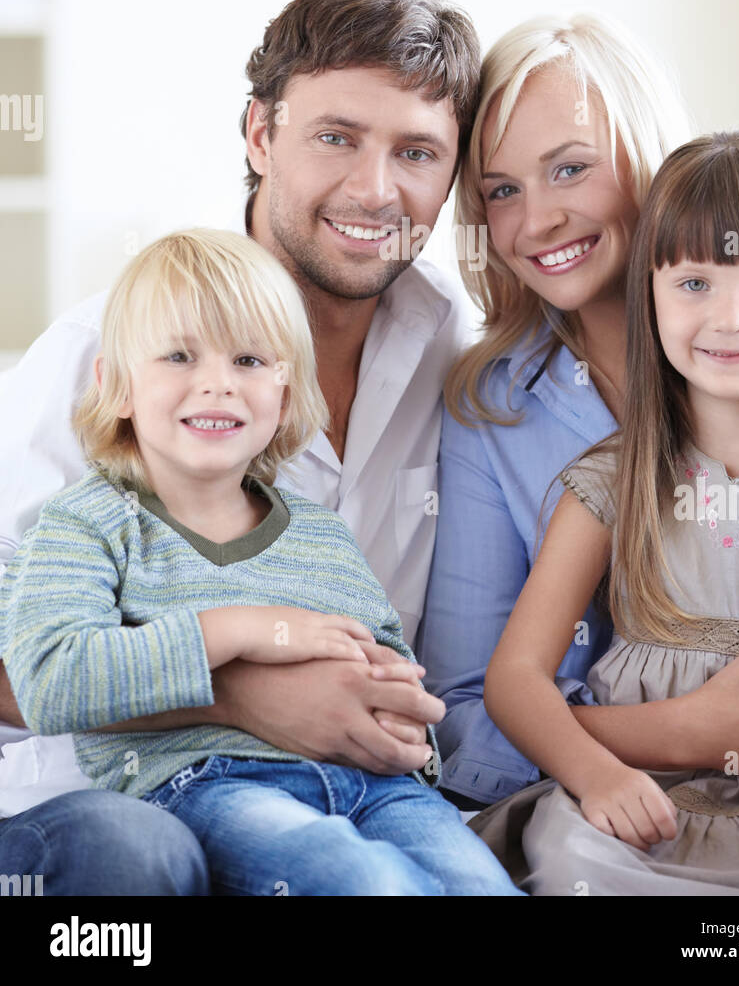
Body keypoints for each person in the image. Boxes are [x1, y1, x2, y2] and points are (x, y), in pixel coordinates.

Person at [0, 0, 480, 893]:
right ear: (261, 133)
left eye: (418, 153)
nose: (375, 190)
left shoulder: (460, 357)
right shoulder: (105, 354)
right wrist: (245, 694)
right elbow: (22, 657)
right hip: (116, 806)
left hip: (363, 791)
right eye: (336, 137)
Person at [416, 13, 739, 888]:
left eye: (571, 169)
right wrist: (688, 733)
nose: (537, 219)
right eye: (501, 190)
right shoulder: (500, 416)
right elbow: (474, 708)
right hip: (640, 811)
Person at [0, 229, 522, 897]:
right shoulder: (86, 525)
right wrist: (239, 630)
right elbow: (51, 680)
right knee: (366, 880)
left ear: (285, 394)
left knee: (481, 885)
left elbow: (387, 662)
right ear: (118, 385)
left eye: (249, 360)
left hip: (382, 791)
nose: (216, 384)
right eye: (180, 356)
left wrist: (401, 722)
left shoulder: (319, 534)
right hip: (208, 785)